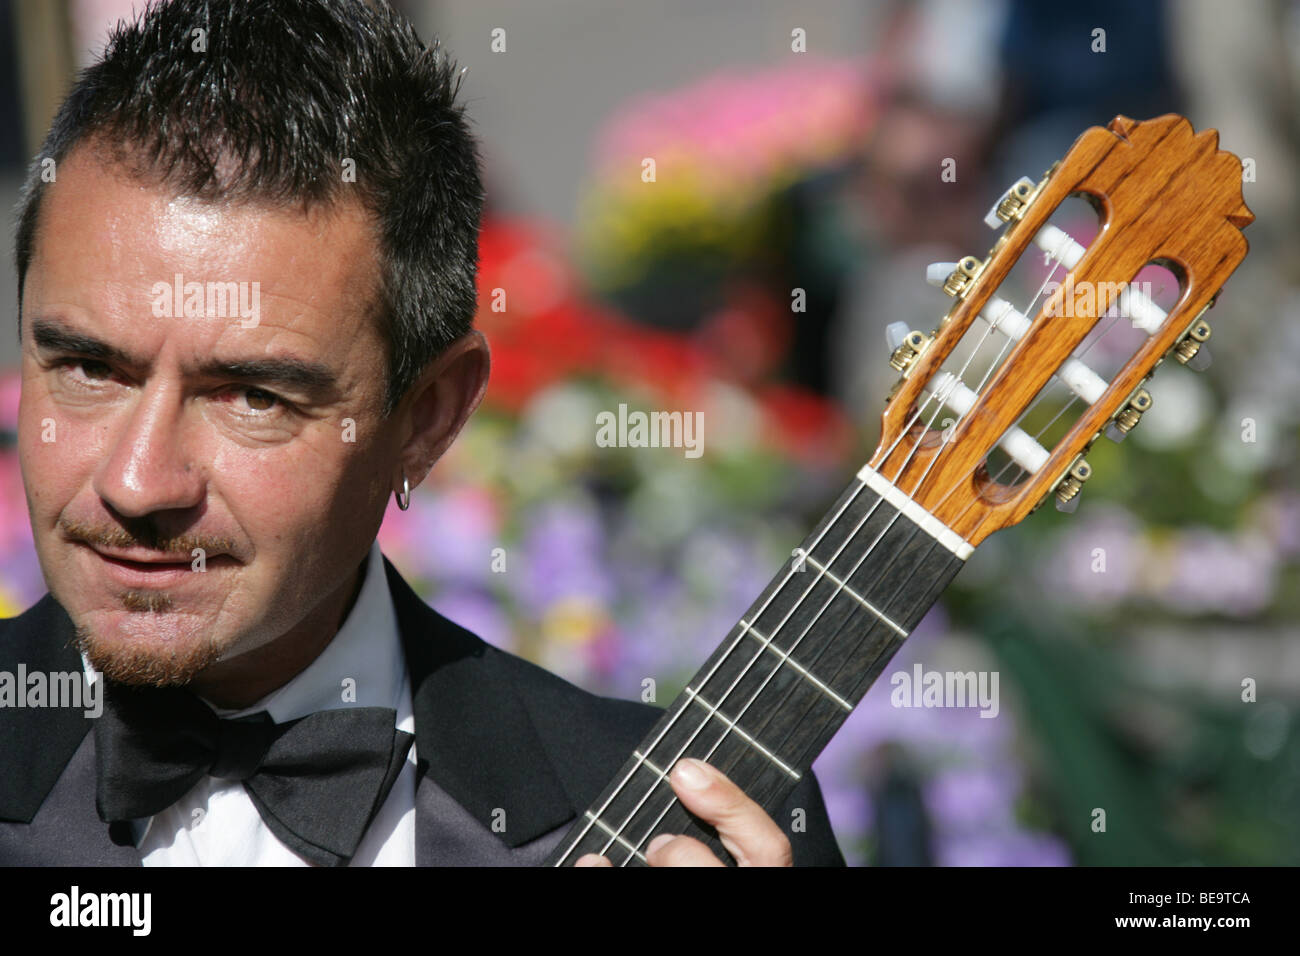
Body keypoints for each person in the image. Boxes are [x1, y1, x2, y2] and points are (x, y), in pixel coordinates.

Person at [0, 0, 843, 867]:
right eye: (89, 370)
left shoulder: (693, 826)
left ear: (429, 416)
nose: (137, 483)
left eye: (251, 397)